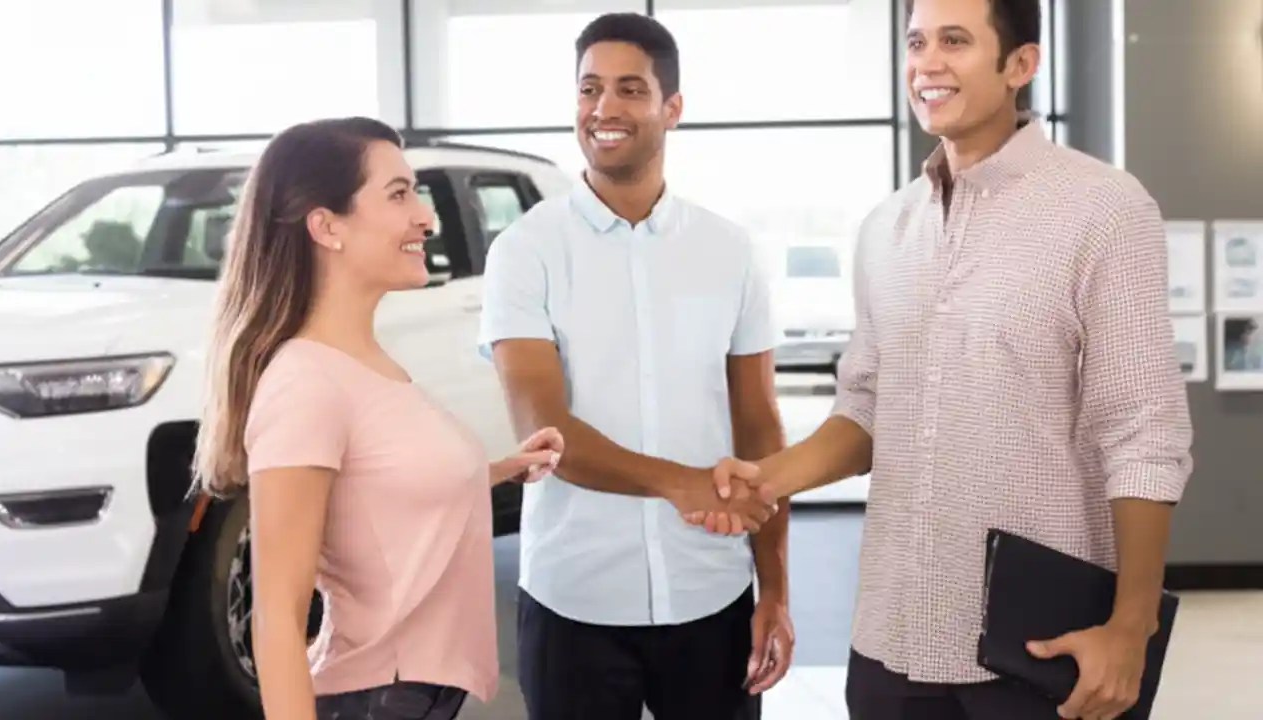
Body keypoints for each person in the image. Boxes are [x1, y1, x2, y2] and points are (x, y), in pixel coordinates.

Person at [689, 0, 1194, 718]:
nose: (927, 62)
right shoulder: (886, 229)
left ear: (1021, 64)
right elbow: (865, 408)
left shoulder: (1104, 210)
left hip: (1039, 644)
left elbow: (1143, 431)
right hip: (891, 639)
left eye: (955, 41)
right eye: (916, 41)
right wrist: (766, 480)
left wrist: (1132, 626)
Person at [190, 117, 564, 720]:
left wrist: (494, 470)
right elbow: (277, 619)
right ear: (327, 226)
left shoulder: (360, 360)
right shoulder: (306, 383)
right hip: (374, 700)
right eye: (399, 194)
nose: (426, 217)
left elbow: (378, 484)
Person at [477, 12, 792, 720]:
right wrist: (680, 486)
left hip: (712, 592)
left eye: (628, 89)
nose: (603, 109)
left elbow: (758, 424)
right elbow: (543, 429)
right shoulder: (525, 252)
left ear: (671, 108)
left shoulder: (730, 250)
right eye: (589, 90)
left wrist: (774, 589)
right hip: (573, 599)